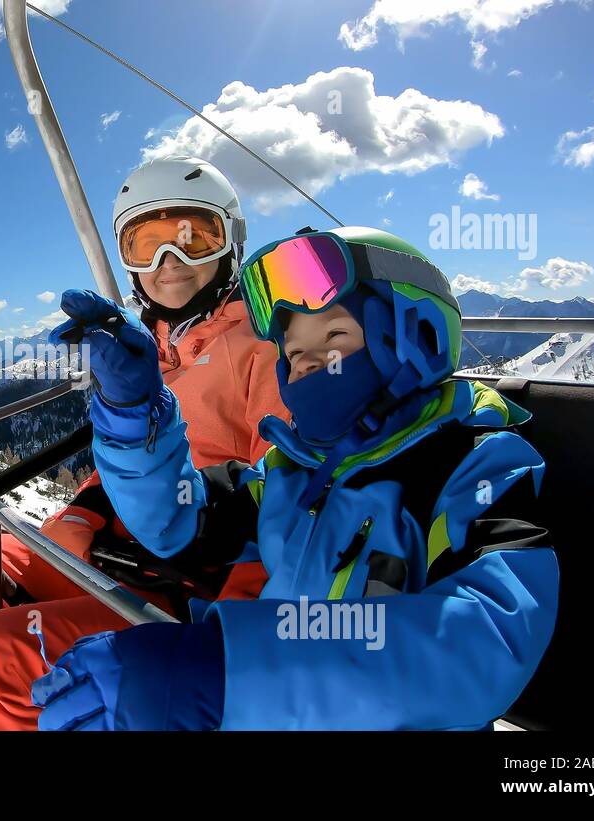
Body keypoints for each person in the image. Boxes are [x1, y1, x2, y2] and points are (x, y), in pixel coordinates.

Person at [30, 226, 560, 730]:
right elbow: (175, 523)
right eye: (295, 351)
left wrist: (228, 675)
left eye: (334, 336)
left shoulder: (476, 464)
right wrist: (133, 413)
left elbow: (488, 639)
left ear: (412, 334)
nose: (309, 365)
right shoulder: (289, 473)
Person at [0, 156, 288, 730]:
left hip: (189, 582)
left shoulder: (266, 344)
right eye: (145, 244)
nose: (167, 264)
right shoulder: (152, 347)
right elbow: (127, 460)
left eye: (193, 238)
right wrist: (86, 508)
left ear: (230, 242)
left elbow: (284, 495)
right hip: (114, 547)